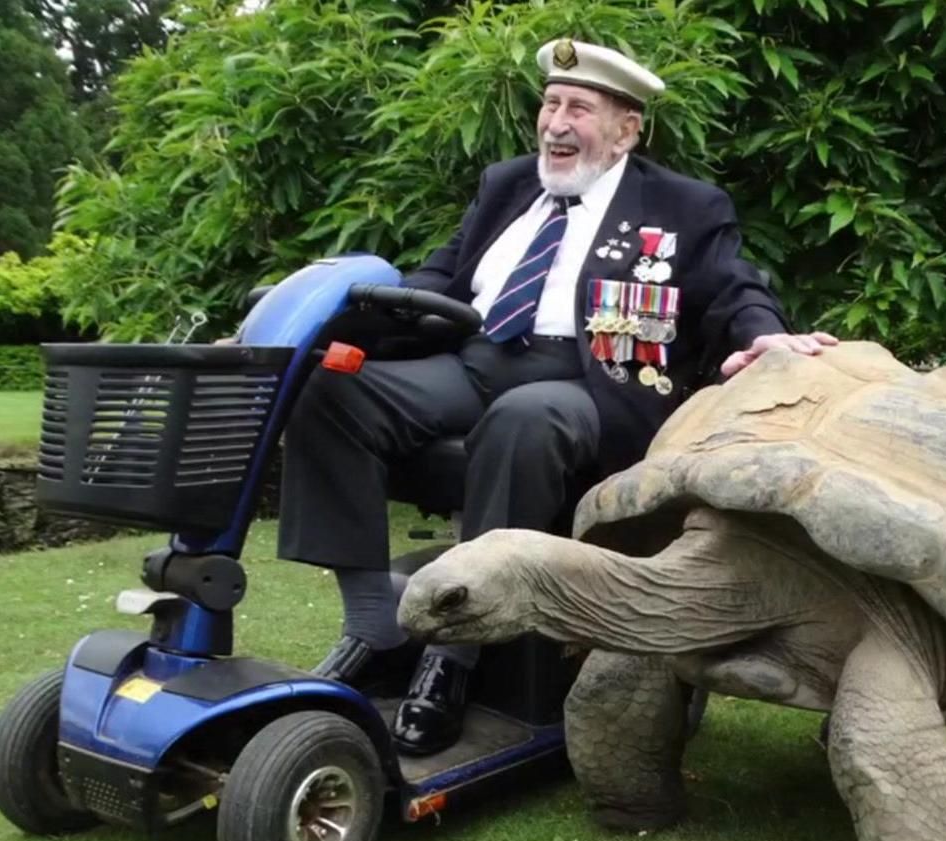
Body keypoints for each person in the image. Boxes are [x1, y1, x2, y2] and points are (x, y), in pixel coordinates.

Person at [275, 38, 836, 756]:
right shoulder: (506, 184)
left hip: (592, 384)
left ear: (626, 129)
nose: (556, 124)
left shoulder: (682, 205)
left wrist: (764, 335)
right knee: (329, 391)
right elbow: (440, 278)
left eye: (579, 108)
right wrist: (336, 321)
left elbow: (735, 287)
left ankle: (453, 657)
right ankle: (373, 628)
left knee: (525, 418)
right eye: (550, 105)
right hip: (476, 359)